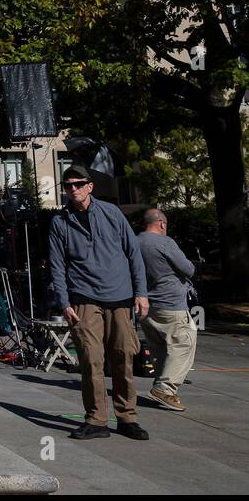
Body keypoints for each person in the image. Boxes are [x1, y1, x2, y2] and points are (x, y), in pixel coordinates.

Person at [47, 165, 150, 441]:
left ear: (90, 186)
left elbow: (133, 253)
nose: (73, 189)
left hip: (120, 298)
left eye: (79, 184)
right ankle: (97, 420)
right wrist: (64, 301)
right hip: (83, 299)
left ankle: (127, 417)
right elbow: (57, 266)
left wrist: (141, 292)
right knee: (91, 361)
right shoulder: (60, 222)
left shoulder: (112, 213)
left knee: (123, 358)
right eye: (68, 185)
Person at [136, 208, 198, 412]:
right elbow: (188, 269)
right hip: (171, 304)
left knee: (160, 348)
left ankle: (162, 386)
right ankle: (165, 389)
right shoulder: (164, 243)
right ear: (162, 223)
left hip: (146, 304)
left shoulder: (135, 242)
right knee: (183, 344)